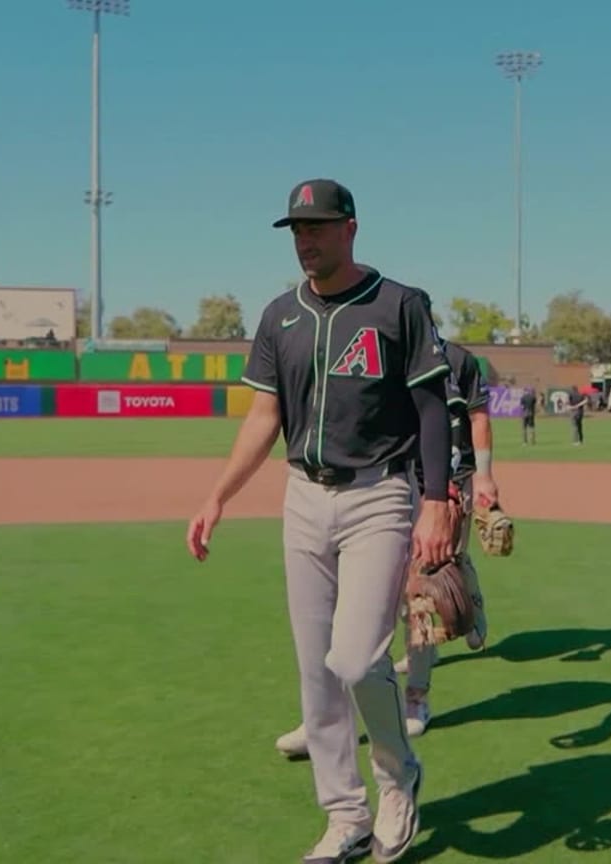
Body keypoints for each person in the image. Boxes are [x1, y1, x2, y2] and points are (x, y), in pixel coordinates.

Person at [187, 178, 455, 864]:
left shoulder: (399, 306)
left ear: (350, 228)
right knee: (316, 672)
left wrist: (439, 500)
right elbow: (264, 418)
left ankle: (398, 778)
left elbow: (431, 409)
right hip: (303, 497)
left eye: (317, 227)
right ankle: (345, 816)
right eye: (296, 230)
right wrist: (218, 495)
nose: (305, 240)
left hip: (379, 494)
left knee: (357, 657)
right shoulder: (281, 315)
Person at [274, 338, 500, 756]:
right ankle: (322, 717)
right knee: (342, 602)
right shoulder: (376, 357)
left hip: (444, 483)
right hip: (384, 483)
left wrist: (480, 478)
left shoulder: (458, 362)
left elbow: (475, 418)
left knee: (422, 592)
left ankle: (418, 696)